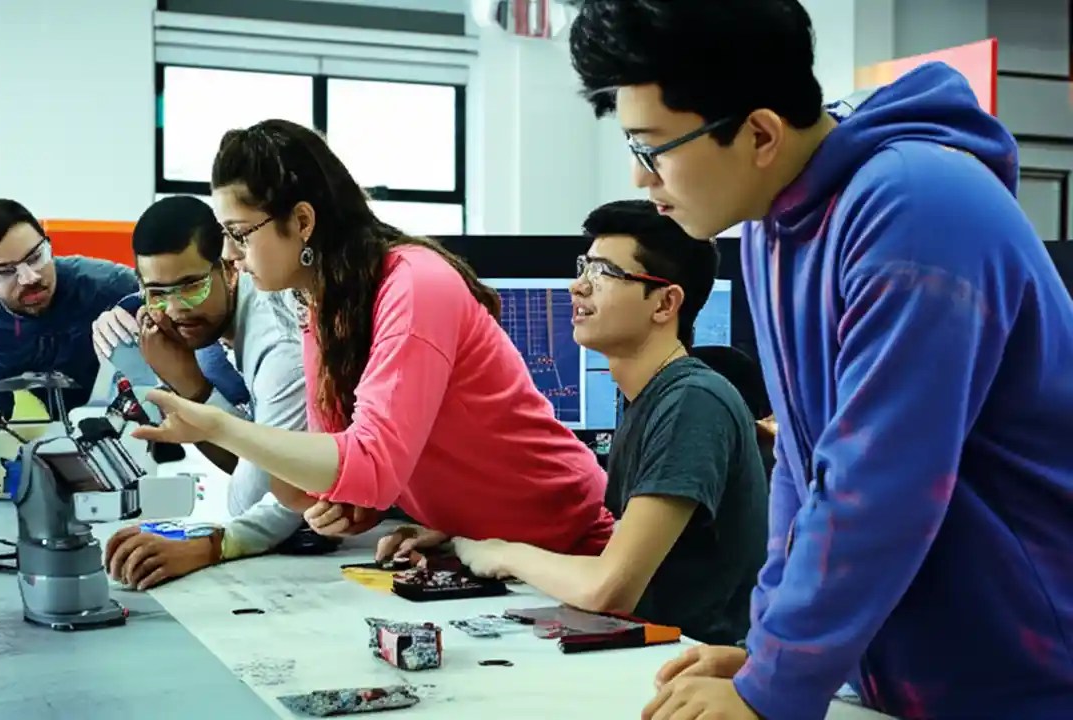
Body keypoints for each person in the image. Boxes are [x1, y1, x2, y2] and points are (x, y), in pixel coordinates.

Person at [569, 2, 1073, 719]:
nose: (641, 177)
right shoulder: (780, 225)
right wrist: (770, 654)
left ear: (760, 133)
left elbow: (880, 487)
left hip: (1024, 677)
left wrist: (773, 689)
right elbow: (806, 473)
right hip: (908, 676)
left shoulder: (914, 209)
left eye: (654, 147)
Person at [132, 118, 616, 561]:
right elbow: (304, 492)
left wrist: (216, 425)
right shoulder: (321, 308)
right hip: (496, 556)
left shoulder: (414, 284)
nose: (232, 256)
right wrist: (354, 505)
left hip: (575, 544)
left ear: (302, 222)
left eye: (239, 233)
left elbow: (369, 465)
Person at [452, 200, 768, 645]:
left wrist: (504, 554)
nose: (577, 287)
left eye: (602, 273)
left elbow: (610, 587)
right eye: (584, 268)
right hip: (653, 651)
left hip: (692, 667)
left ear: (664, 303)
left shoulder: (692, 402)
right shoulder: (649, 398)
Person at [91, 195, 319, 590]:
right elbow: (249, 457)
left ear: (230, 269)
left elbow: (259, 494)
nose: (177, 309)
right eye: (158, 292)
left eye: (191, 287)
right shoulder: (201, 320)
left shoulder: (280, 346)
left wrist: (189, 385)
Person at [0, 198, 138, 418]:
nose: (30, 277)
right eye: (5, 272)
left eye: (36, 257)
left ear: (49, 246)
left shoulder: (113, 288)